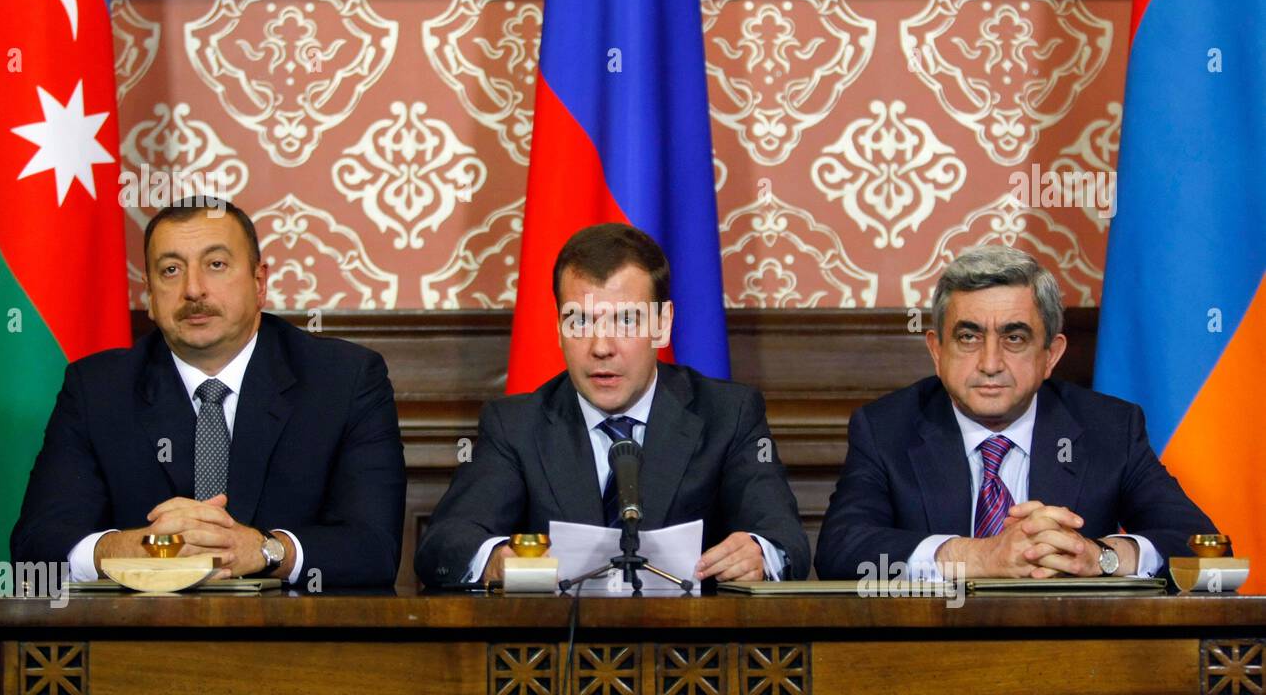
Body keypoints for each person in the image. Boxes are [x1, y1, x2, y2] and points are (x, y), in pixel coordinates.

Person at [11, 198, 405, 587]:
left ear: (259, 281)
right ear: (149, 293)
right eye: (170, 270)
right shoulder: (98, 388)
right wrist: (135, 549)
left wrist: (265, 550)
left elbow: (373, 548)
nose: (193, 289)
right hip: (140, 639)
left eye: (216, 265)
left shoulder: (343, 379)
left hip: (293, 640)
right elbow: (35, 548)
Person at [415, 223, 809, 587]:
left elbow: (786, 540)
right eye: (580, 322)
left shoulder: (728, 414)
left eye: (625, 321)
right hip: (556, 654)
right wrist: (497, 560)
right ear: (558, 327)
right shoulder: (516, 425)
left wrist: (758, 552)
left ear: (663, 324)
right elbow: (445, 546)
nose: (601, 347)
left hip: (690, 653)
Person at [817, 244, 1220, 581]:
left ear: (1051, 355)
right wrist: (979, 557)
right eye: (969, 337)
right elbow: (840, 550)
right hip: (929, 660)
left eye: (1014, 338)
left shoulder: (1109, 429)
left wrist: (1101, 558)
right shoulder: (887, 428)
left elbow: (1204, 550)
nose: (990, 363)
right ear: (937, 351)